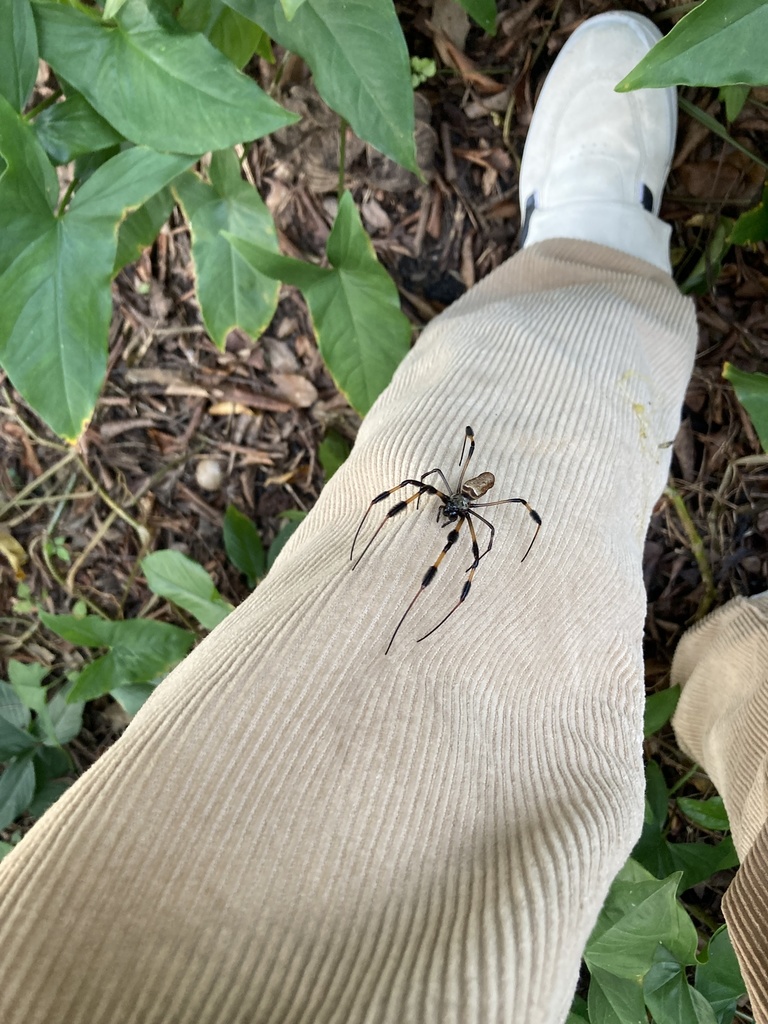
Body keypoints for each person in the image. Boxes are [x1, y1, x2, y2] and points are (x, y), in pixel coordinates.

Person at [0, 10, 765, 1023]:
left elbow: (487, 511)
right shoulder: (450, 507)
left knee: (451, 497)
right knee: (441, 512)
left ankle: (579, 283)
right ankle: (596, 299)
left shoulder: (467, 514)